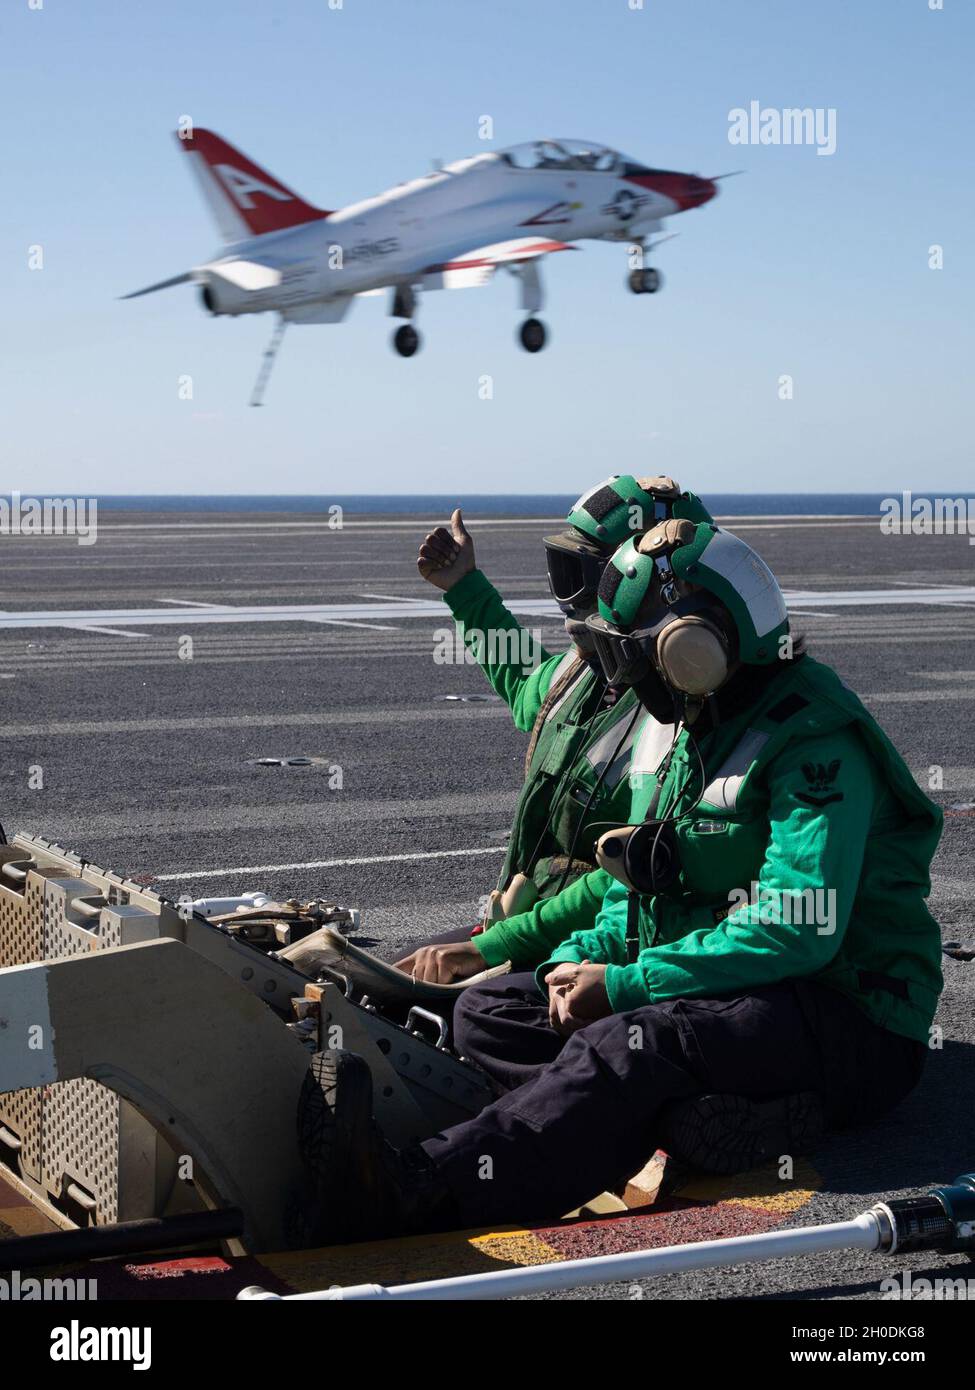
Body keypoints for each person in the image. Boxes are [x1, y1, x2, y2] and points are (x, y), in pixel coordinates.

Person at [297, 520, 943, 1243]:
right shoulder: (689, 724)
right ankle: (678, 1117)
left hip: (846, 1015)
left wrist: (627, 986)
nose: (620, 676)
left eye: (628, 653)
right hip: (735, 991)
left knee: (632, 1043)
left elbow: (797, 925)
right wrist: (582, 964)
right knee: (491, 1010)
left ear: (690, 651)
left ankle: (407, 1194)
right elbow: (641, 883)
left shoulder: (813, 741)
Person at [396, 476, 712, 984]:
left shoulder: (688, 714)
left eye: (585, 572)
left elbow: (627, 881)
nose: (572, 594)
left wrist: (494, 945)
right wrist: (464, 586)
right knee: (387, 978)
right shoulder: (580, 673)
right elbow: (525, 684)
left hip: (600, 947)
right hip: (526, 922)